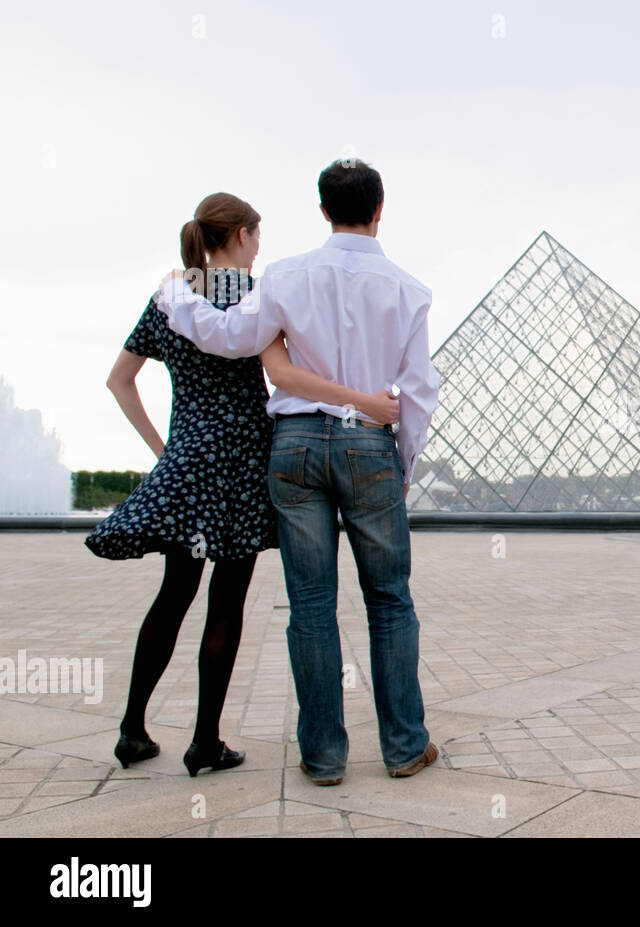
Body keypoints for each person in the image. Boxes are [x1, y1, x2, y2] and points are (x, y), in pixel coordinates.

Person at [88, 192, 401, 778]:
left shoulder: (169, 297)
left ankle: (133, 729)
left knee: (172, 596)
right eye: (258, 237)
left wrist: (165, 453)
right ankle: (205, 740)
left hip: (187, 462)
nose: (261, 248)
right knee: (225, 605)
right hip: (242, 462)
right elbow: (282, 367)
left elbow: (119, 381)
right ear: (241, 236)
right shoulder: (260, 296)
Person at [155, 160, 441, 786]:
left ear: (322, 210)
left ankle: (323, 756)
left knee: (310, 604)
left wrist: (176, 293)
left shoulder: (285, 275)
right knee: (389, 599)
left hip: (295, 446)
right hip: (369, 443)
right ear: (381, 208)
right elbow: (419, 391)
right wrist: (405, 463)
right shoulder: (409, 290)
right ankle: (402, 747)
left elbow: (229, 336)